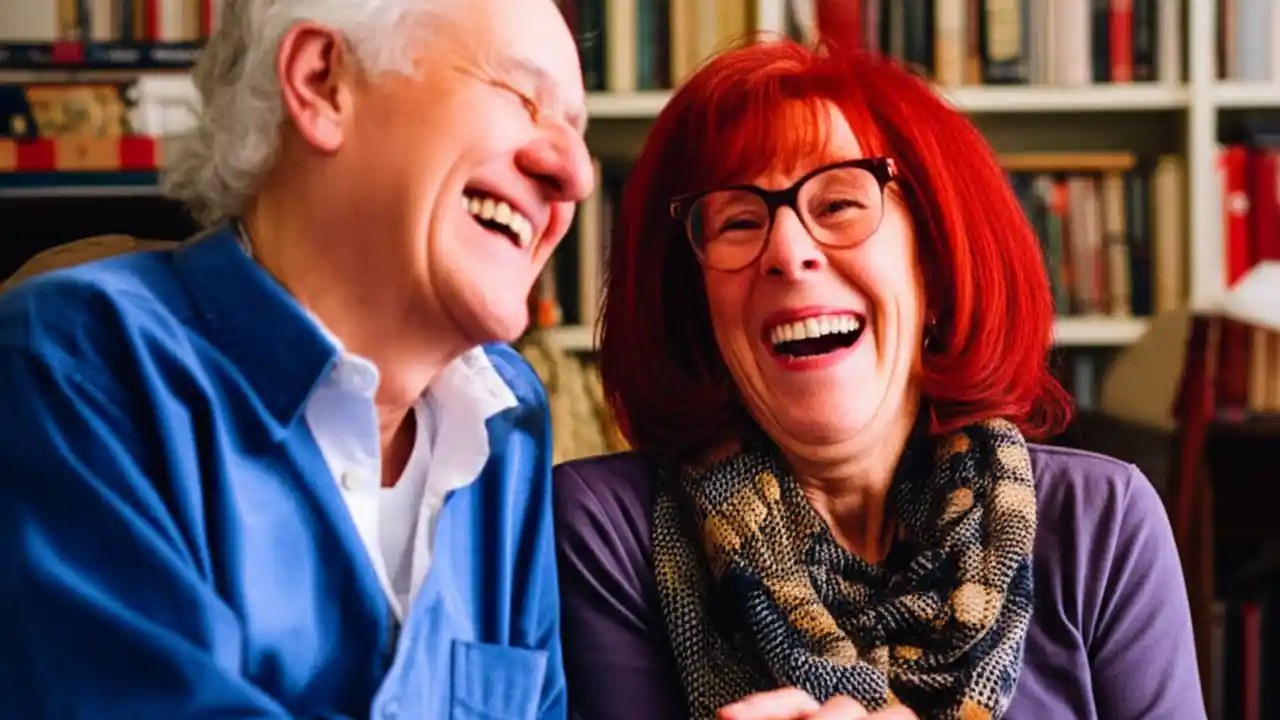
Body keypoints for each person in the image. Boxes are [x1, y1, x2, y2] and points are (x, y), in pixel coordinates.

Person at [552, 38, 1205, 720]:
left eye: (839, 204)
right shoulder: (605, 530)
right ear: (696, 304)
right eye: (739, 221)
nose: (788, 252)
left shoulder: (1102, 524)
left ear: (936, 267)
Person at [0, 0, 592, 717]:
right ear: (320, 83)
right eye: (522, 96)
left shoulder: (510, 419)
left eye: (577, 131)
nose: (576, 175)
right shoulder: (78, 365)